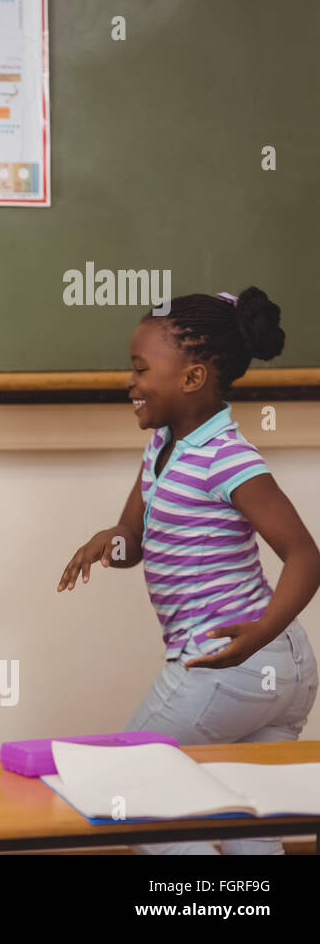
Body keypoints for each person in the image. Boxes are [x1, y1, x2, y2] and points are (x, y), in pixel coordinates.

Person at [59, 287, 319, 854]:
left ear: (193, 377)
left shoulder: (225, 456)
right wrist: (110, 542)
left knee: (131, 787)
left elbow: (304, 555)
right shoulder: (162, 445)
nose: (129, 382)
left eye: (140, 369)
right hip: (270, 668)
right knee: (247, 821)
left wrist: (259, 634)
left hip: (232, 659)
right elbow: (135, 542)